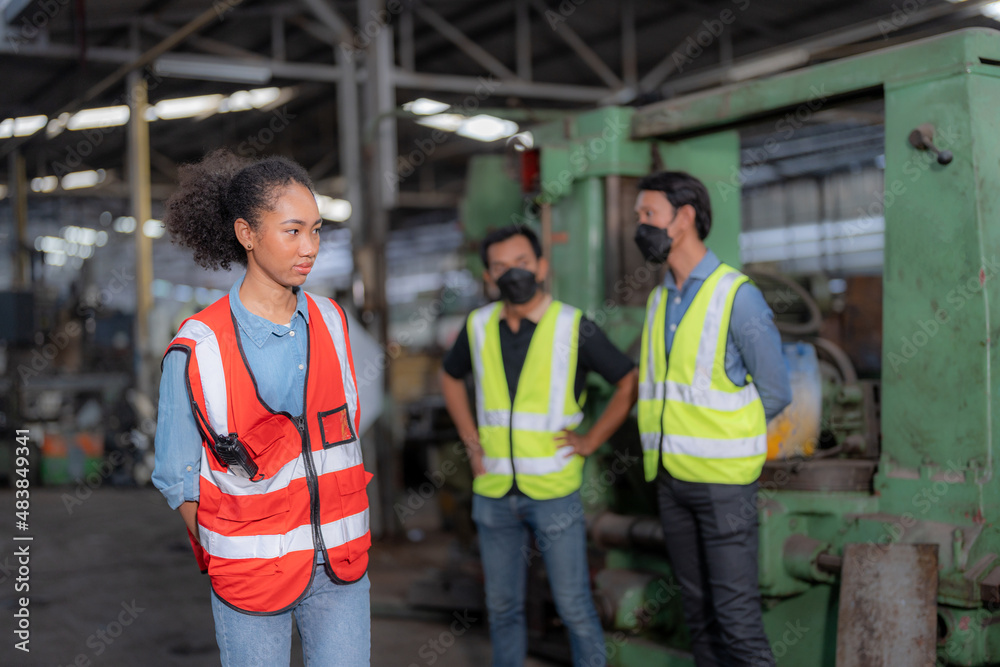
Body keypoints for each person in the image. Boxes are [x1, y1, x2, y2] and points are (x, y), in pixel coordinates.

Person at [151, 149, 371, 666]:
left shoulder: (333, 321)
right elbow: (177, 477)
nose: (309, 247)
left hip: (340, 566)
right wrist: (239, 547)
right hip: (252, 578)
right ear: (246, 234)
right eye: (292, 231)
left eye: (316, 230)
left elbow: (344, 433)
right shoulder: (199, 346)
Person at [440, 224, 638, 667]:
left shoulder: (573, 326)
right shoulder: (478, 326)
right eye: (500, 267)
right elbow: (449, 377)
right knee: (502, 608)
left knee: (573, 606)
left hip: (554, 492)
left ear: (542, 267)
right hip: (494, 492)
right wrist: (471, 441)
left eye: (522, 263)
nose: (513, 273)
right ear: (488, 276)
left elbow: (628, 380)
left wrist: (591, 440)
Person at [633, 171, 792, 667]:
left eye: (649, 214)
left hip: (723, 487)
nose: (640, 225)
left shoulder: (736, 294)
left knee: (737, 625)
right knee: (698, 619)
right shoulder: (660, 298)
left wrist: (730, 439)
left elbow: (776, 390)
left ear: (683, 217)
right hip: (671, 481)